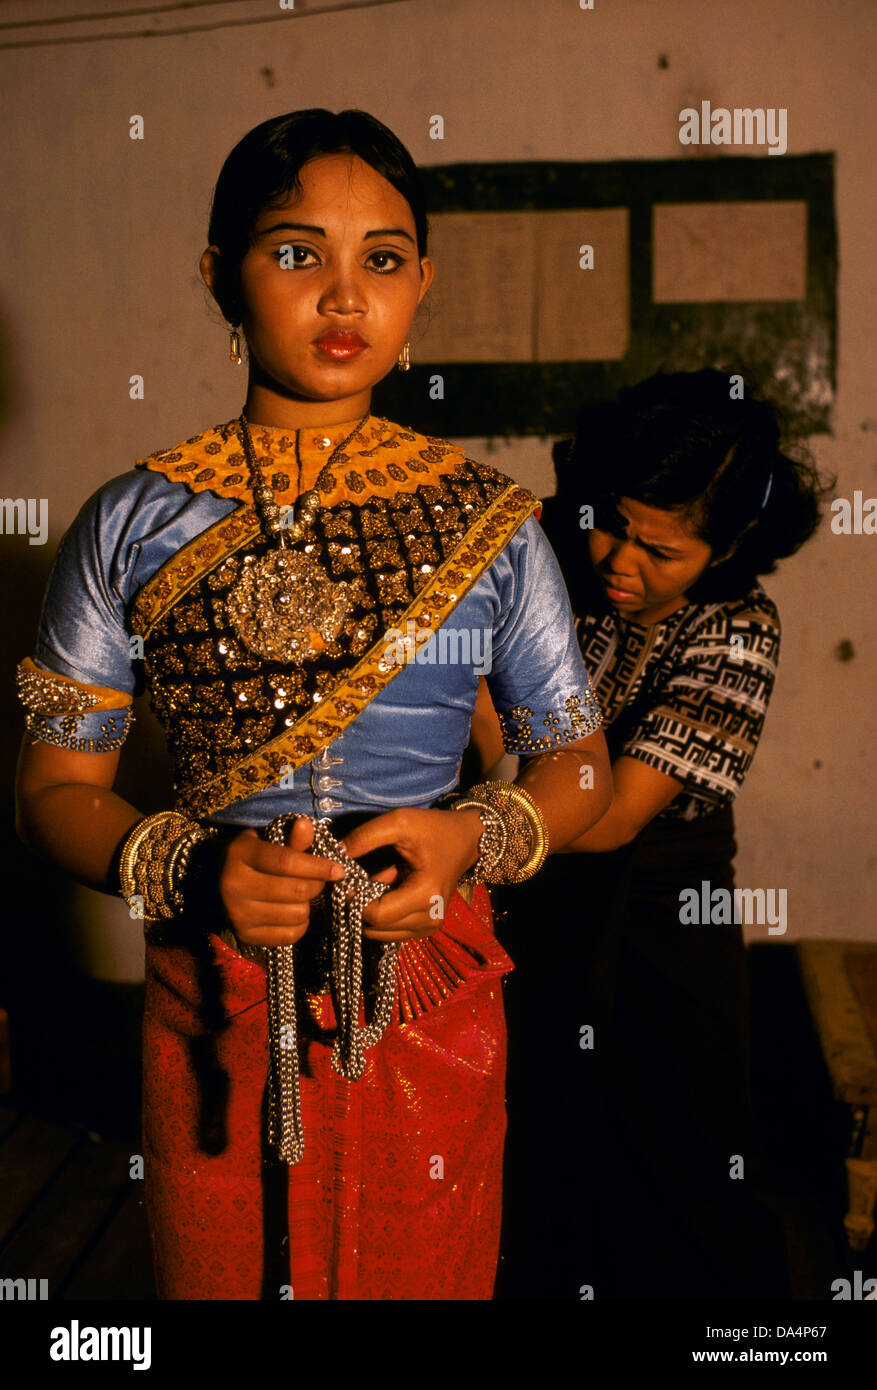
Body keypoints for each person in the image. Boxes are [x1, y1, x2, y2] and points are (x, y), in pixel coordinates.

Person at [13, 109, 611, 1302]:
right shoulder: (130, 521)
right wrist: (192, 868)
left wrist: (470, 835)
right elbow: (53, 792)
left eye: (381, 260)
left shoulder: (489, 520)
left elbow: (578, 766)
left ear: (422, 284)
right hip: (217, 1000)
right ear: (220, 277)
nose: (345, 297)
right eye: (296, 254)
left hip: (426, 980)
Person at [488, 369, 827, 1300]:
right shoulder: (550, 552)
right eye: (610, 523)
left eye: (660, 551)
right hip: (535, 895)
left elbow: (608, 817)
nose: (617, 562)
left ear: (728, 548)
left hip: (658, 906)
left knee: (685, 1153)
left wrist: (481, 803)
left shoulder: (737, 631)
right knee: (542, 1148)